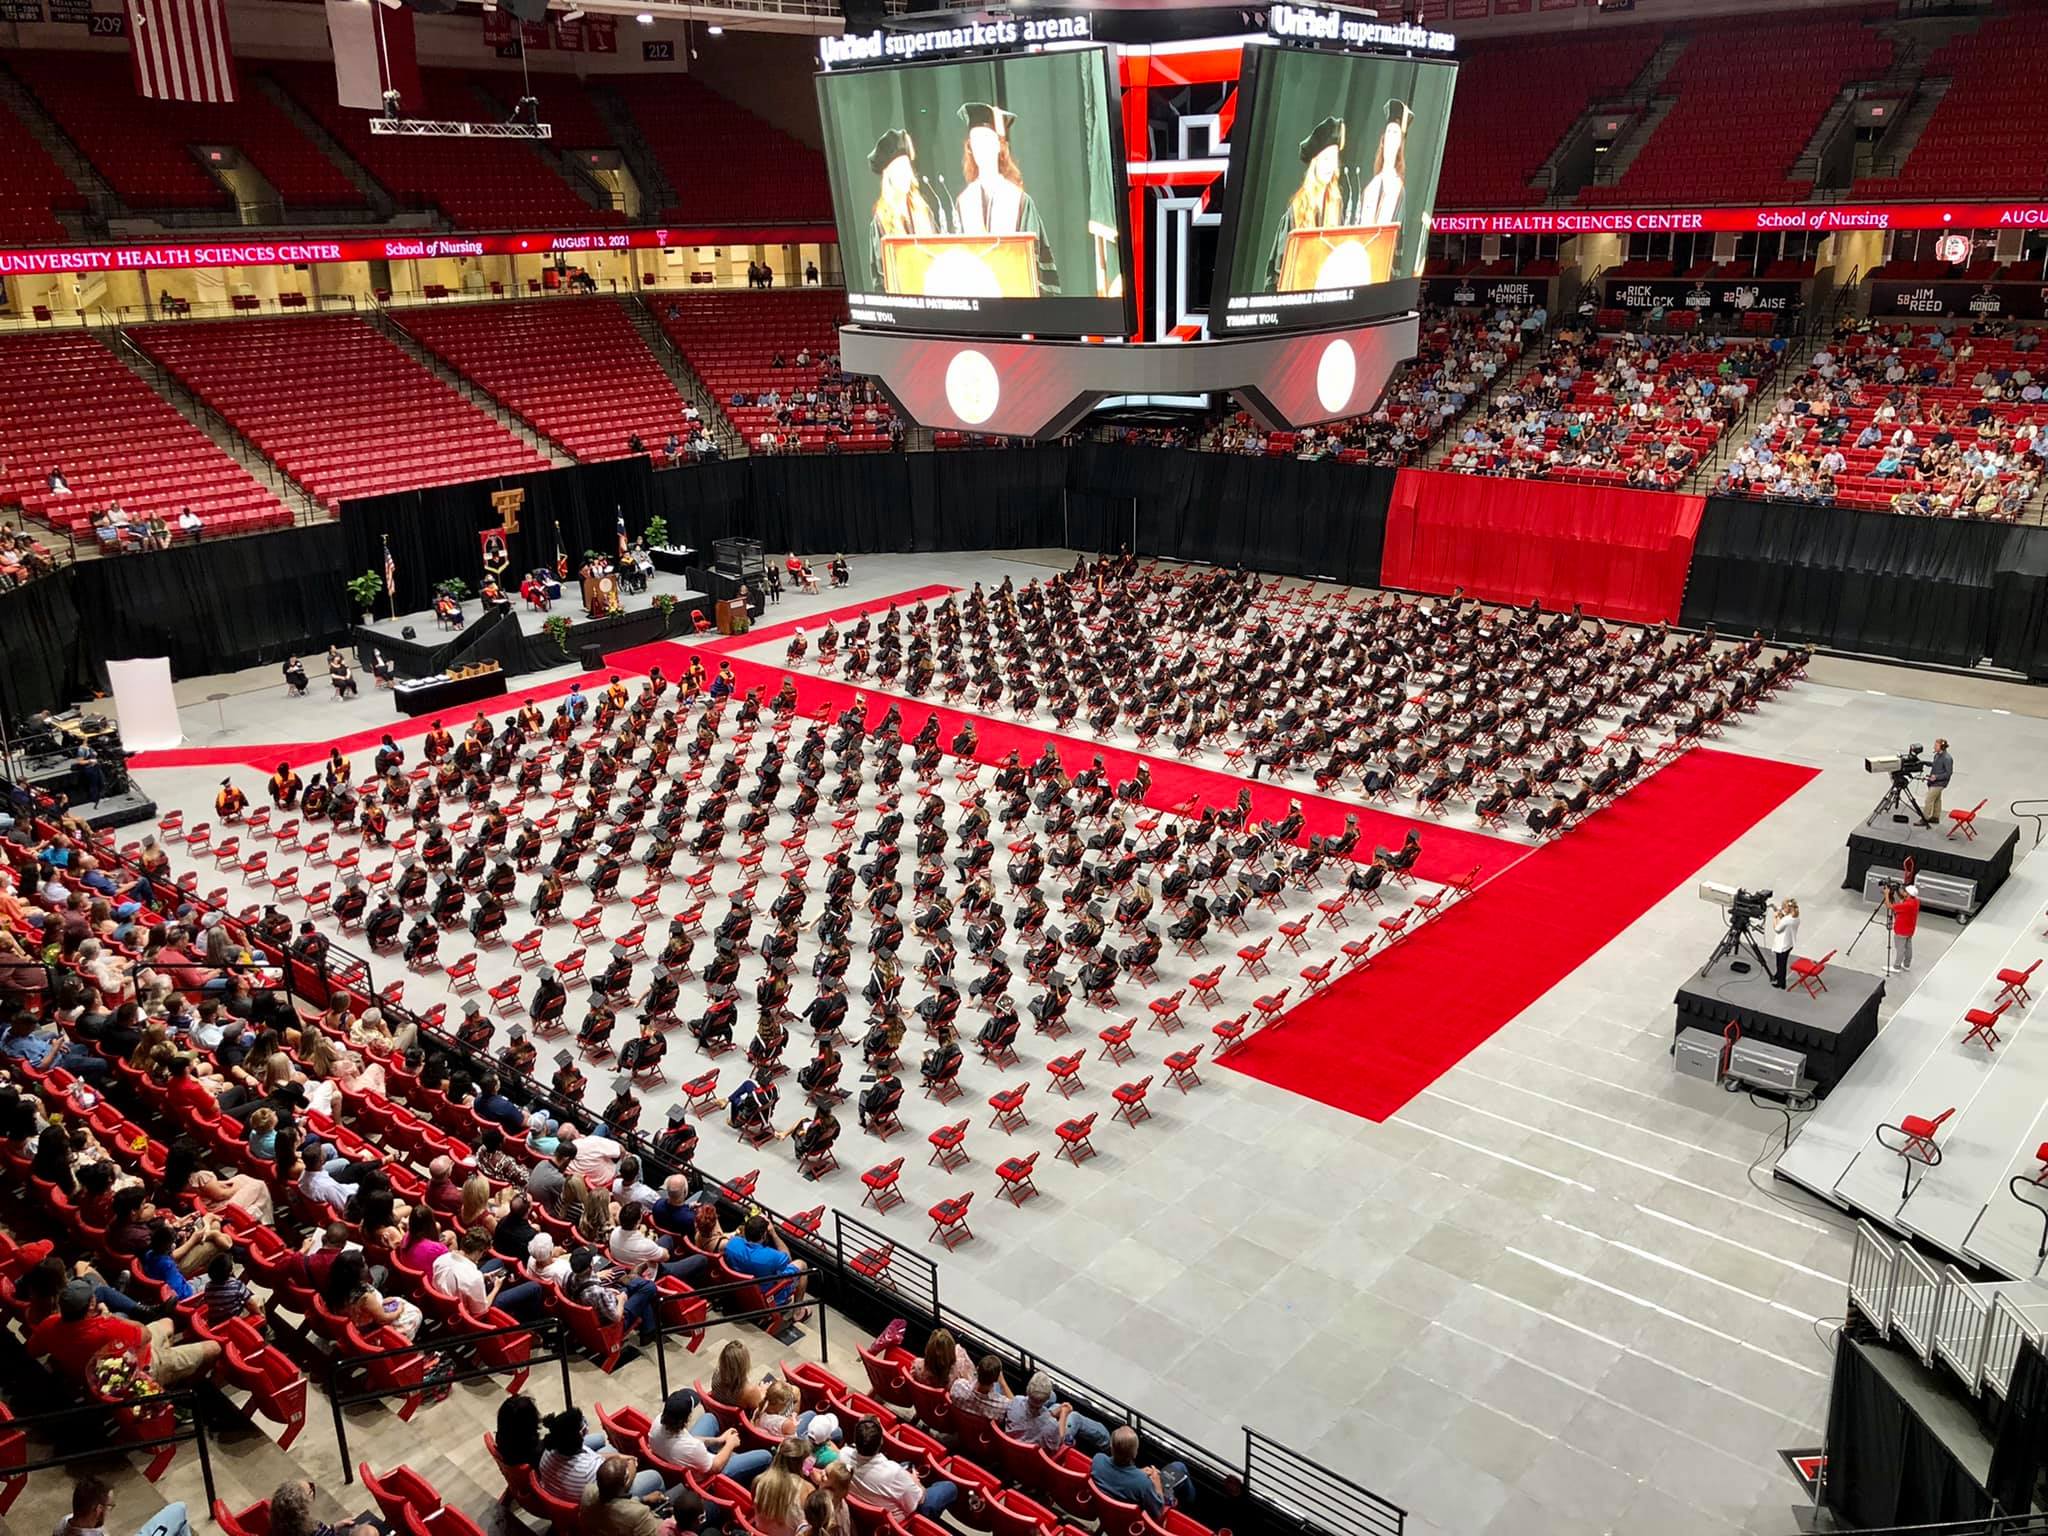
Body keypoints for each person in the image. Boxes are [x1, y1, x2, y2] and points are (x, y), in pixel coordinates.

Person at [952, 102, 1057, 294]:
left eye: (986, 139)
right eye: (975, 141)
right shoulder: (963, 202)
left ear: (998, 146)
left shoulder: (1020, 201)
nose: (980, 147)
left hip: (1015, 301)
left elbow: (1035, 270)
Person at [1267, 115, 1346, 290]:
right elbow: (1280, 271)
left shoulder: (1336, 204)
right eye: (1325, 159)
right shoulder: (1297, 209)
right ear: (1314, 164)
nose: (1329, 166)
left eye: (1333, 159)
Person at [645, 1387, 773, 1484]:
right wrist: (730, 1444)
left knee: (709, 1418)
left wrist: (719, 1440)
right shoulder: (692, 1448)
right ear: (686, 1419)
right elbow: (716, 1467)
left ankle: (719, 1448)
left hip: (681, 1457)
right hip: (707, 1476)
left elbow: (690, 1439)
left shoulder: (658, 1422)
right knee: (765, 1455)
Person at [844, 1414, 957, 1521]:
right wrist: (916, 1481)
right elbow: (921, 1498)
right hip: (894, 1521)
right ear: (881, 1442)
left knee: (907, 1464)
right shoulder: (893, 1472)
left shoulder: (843, 1455)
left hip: (867, 1508)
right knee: (948, 1487)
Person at [866, 128, 937, 293]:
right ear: (888, 176)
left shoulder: (923, 210)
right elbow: (881, 279)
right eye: (898, 169)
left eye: (907, 168)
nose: (905, 174)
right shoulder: (881, 221)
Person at [1090, 1424, 1191, 1520]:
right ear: (1135, 1453)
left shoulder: (1098, 1460)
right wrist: (1157, 1484)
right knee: (1180, 1467)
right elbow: (1158, 1512)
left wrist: (1138, 1472)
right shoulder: (1144, 1484)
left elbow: (1120, 1478)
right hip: (1132, 1523)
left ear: (1111, 1448)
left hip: (1108, 1516)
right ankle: (1190, 1509)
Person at [1004, 1370, 1112, 1455]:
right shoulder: (1051, 1426)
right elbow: (1060, 1440)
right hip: (1042, 1452)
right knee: (1075, 1417)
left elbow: (1038, 1417)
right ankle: (1108, 1444)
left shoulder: (1015, 1401)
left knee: (1054, 1401)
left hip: (1018, 1444)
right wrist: (1064, 1413)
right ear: (1045, 1399)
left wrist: (1054, 1412)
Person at [721, 1213, 808, 1311]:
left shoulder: (732, 1244)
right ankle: (798, 1311)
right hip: (766, 1297)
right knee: (801, 1265)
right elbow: (788, 1258)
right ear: (763, 1235)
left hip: (740, 1293)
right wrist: (774, 1234)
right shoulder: (772, 1256)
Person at [267, 1479, 377, 1536]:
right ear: (303, 1505)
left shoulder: (287, 1524)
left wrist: (333, 1527)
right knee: (369, 1531)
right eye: (311, 1490)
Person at [1884, 880, 1920, 971]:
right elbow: (1903, 898)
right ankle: (1906, 965)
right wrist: (1898, 891)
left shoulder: (1907, 905)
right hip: (1910, 930)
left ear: (1907, 894)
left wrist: (1886, 894)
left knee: (1900, 949)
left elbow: (1889, 906)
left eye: (1904, 891)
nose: (1902, 891)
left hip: (1901, 930)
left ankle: (1896, 967)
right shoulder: (1916, 901)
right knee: (1908, 947)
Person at [1770, 897, 1799, 990]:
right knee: (1782, 963)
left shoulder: (1786, 920)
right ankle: (1778, 975)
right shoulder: (1795, 917)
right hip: (1789, 943)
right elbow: (1785, 920)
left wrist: (1775, 918)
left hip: (1782, 945)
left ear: (1788, 909)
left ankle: (1781, 983)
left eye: (1784, 908)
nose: (1782, 909)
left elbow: (1777, 929)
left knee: (1781, 964)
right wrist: (1779, 913)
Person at [1923, 737, 1952, 827]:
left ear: (1942, 747)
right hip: (1935, 781)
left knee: (1929, 799)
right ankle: (1935, 817)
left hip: (1939, 783)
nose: (1934, 747)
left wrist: (1936, 777)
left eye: (1936, 746)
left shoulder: (1947, 758)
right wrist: (1926, 763)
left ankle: (1925, 818)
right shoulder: (1937, 755)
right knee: (1937, 800)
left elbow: (1948, 773)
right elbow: (1936, 764)